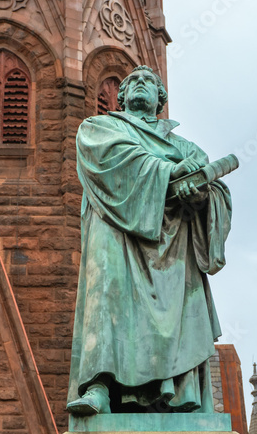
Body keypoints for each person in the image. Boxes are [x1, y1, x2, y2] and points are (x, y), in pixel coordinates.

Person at [67, 65, 232, 415]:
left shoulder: (187, 147)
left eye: (150, 82)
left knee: (179, 307)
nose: (141, 84)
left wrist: (198, 194)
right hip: (115, 231)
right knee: (107, 293)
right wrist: (169, 172)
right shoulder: (99, 127)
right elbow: (108, 160)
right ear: (121, 96)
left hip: (172, 246)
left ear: (162, 99)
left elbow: (212, 190)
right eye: (133, 82)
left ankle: (179, 395)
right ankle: (99, 387)